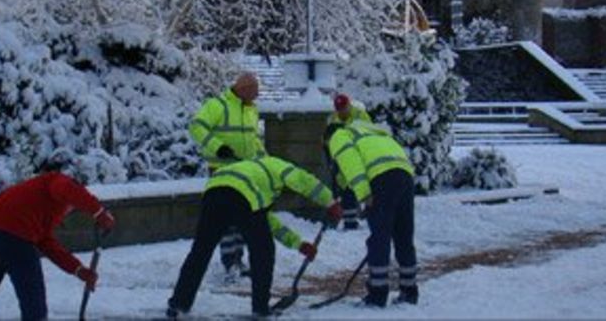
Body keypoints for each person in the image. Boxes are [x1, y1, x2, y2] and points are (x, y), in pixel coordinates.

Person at [166, 155, 343, 318]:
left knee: (200, 251)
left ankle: (179, 303)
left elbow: (268, 222)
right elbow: (302, 180)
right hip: (240, 195)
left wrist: (298, 244)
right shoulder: (276, 165)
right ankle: (260, 308)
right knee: (263, 251)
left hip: (213, 193)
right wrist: (330, 201)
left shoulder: (251, 175)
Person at [0, 170, 117, 321]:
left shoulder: (38, 205)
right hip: (15, 233)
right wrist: (99, 212)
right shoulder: (55, 181)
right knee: (32, 297)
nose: (70, 210)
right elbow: (67, 188)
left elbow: (46, 243)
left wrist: (78, 269)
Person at [324, 119, 418, 308]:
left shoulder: (338, 136)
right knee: (403, 235)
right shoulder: (369, 133)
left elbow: (351, 164)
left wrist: (364, 194)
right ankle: (409, 291)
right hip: (405, 176)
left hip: (381, 178)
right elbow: (347, 173)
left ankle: (377, 294)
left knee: (379, 238)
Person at [188, 72, 266, 279]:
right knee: (226, 219)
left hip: (245, 171)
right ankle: (229, 260)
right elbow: (196, 127)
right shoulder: (218, 105)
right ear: (243, 89)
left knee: (243, 217)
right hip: (221, 170)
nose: (257, 96)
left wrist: (263, 160)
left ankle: (238, 259)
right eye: (254, 91)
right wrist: (218, 147)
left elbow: (253, 139)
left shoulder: (251, 110)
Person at [326, 93, 372, 230]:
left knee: (362, 187)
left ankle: (369, 216)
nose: (341, 113)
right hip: (342, 158)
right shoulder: (333, 119)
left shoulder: (361, 117)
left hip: (360, 155)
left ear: (349, 106)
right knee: (346, 189)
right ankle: (350, 222)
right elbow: (329, 138)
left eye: (344, 109)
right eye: (339, 110)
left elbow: (368, 136)